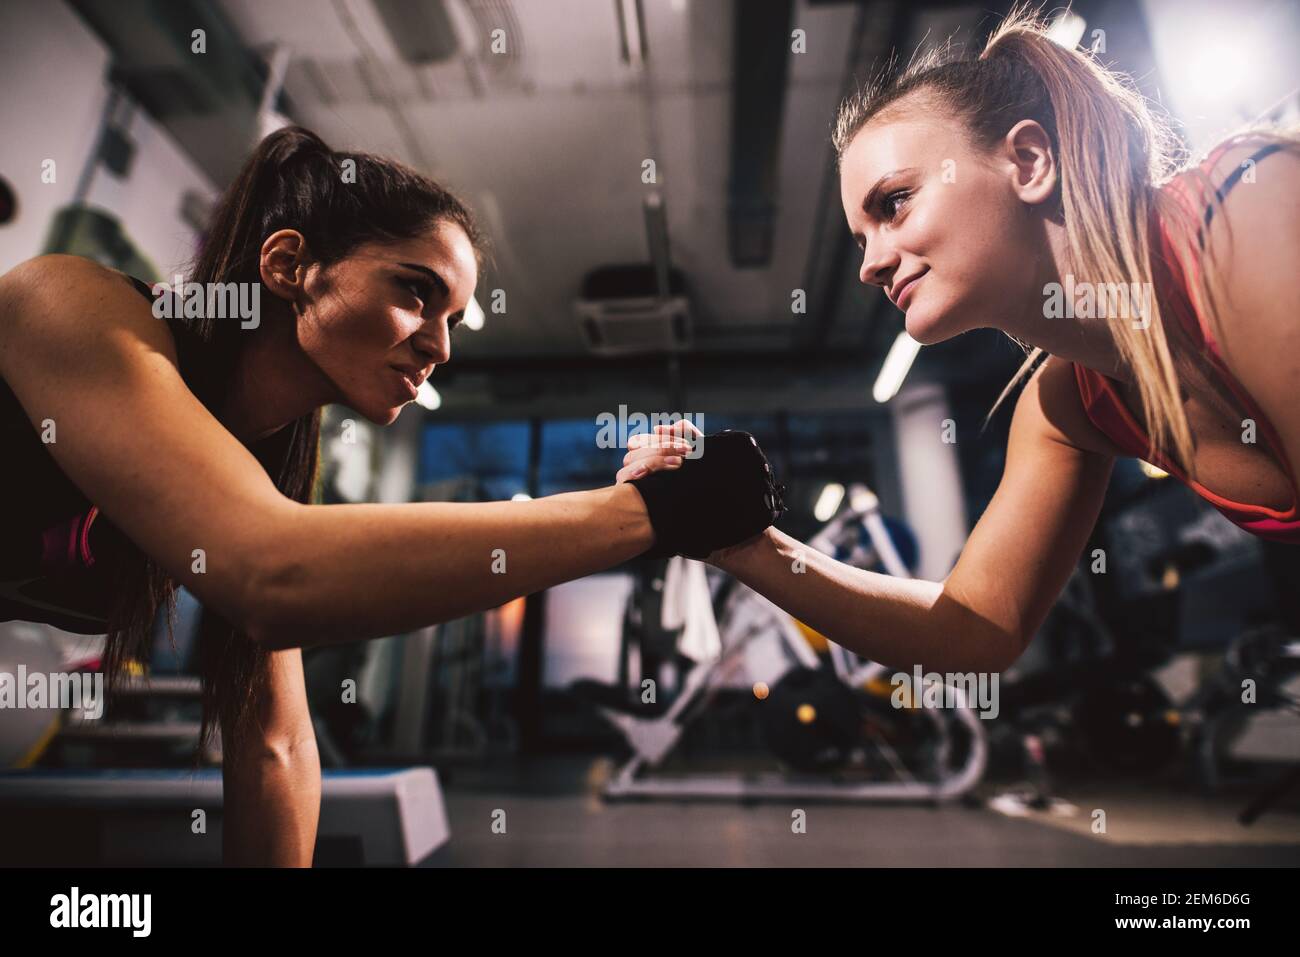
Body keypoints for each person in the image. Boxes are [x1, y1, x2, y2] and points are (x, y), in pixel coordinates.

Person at [0, 126, 782, 864]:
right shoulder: (67, 304)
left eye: (453, 320)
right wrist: (649, 513)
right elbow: (272, 573)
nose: (441, 345)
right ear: (287, 266)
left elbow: (275, 742)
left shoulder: (261, 469)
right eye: (416, 292)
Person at [622, 11, 1299, 681]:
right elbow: (971, 628)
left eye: (894, 203)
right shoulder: (1068, 406)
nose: (868, 265)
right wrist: (742, 541)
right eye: (860, 240)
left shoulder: (1247, 212)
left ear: (1028, 162)